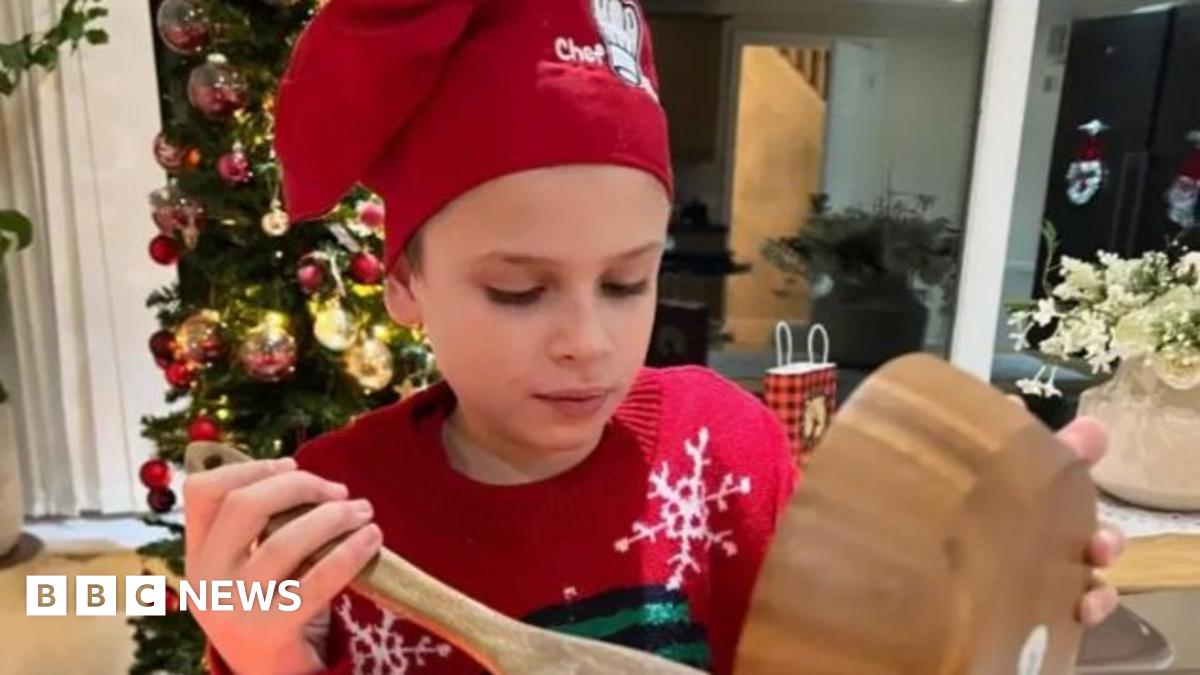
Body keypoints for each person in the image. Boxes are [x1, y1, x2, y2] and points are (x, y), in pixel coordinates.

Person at [182, 1, 1126, 673]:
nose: (587, 342)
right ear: (403, 282)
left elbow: (844, 647)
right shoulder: (340, 508)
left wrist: (1007, 584)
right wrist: (263, 654)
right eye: (519, 290)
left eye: (630, 280)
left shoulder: (728, 446)